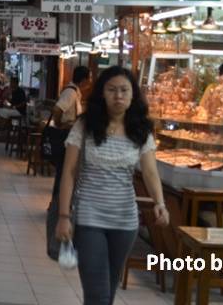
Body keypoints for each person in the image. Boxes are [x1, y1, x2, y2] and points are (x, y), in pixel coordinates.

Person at [54, 66, 168, 305]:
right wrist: (64, 215)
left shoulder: (141, 130)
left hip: (125, 221)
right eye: (112, 90)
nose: (118, 96)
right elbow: (69, 172)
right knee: (97, 294)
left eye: (124, 90)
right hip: (89, 218)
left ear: (133, 95)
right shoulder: (85, 126)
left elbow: (149, 171)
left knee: (108, 291)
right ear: (102, 93)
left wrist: (160, 203)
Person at [49, 66, 91, 201]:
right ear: (84, 80)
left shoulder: (75, 92)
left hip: (68, 134)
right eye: (89, 78)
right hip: (64, 135)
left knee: (65, 171)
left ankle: (60, 201)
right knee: (63, 171)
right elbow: (57, 109)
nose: (90, 82)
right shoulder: (71, 93)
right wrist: (59, 124)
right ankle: (56, 204)